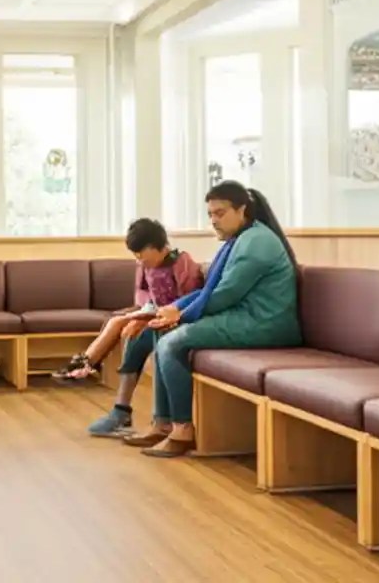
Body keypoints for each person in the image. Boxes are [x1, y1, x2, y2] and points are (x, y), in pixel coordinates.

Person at [121, 181, 300, 458]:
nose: (214, 220)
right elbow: (209, 292)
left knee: (171, 342)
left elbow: (224, 295)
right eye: (210, 214)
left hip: (263, 323)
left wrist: (179, 314)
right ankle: (162, 422)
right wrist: (171, 310)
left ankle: (183, 431)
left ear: (242, 210)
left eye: (220, 213)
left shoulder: (257, 242)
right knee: (161, 330)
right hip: (242, 316)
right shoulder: (239, 240)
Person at [55, 219, 204, 437]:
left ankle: (86, 364)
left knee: (119, 323)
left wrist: (157, 314)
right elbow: (141, 293)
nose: (139, 259)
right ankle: (120, 410)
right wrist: (144, 313)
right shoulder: (144, 266)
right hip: (153, 313)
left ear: (158, 246)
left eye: (142, 253)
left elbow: (190, 298)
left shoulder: (182, 262)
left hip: (176, 319)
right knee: (131, 334)